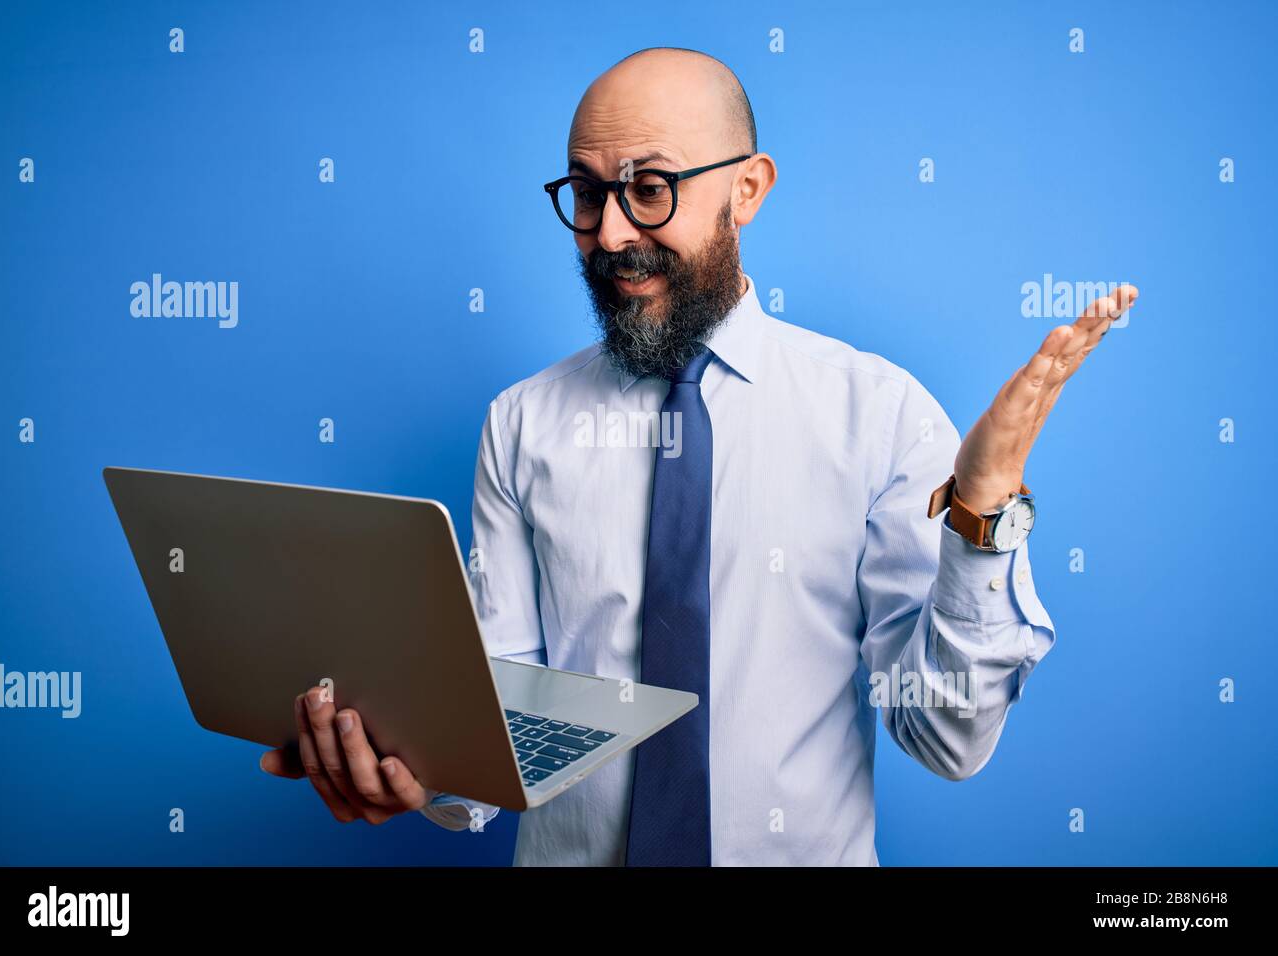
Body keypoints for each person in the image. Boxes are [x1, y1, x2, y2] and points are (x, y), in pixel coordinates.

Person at [260, 46, 1138, 865]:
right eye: (587, 193)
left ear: (747, 189)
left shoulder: (879, 415)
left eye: (649, 189)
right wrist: (417, 772)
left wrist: (981, 513)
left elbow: (947, 739)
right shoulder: (522, 424)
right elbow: (502, 718)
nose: (611, 234)